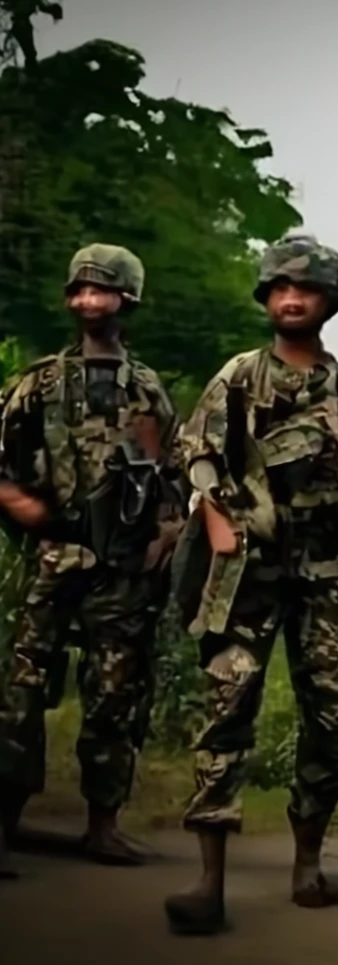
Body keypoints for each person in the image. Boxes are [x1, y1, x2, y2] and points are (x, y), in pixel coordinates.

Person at [163, 232, 338, 934]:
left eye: (307, 289)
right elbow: (195, 451)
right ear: (267, 297)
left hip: (329, 576)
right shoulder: (240, 375)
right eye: (280, 288)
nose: (292, 299)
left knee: (331, 717)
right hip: (250, 575)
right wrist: (214, 515)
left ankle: (307, 864)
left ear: (331, 301)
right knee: (226, 711)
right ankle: (209, 882)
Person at [0, 244, 184, 878]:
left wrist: (166, 532)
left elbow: (171, 476)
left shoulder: (148, 391)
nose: (86, 301)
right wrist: (17, 500)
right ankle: (6, 821)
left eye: (100, 290)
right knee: (21, 692)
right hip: (55, 556)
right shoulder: (41, 382)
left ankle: (103, 826)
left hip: (122, 567)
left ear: (125, 298)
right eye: (78, 290)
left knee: (115, 696)